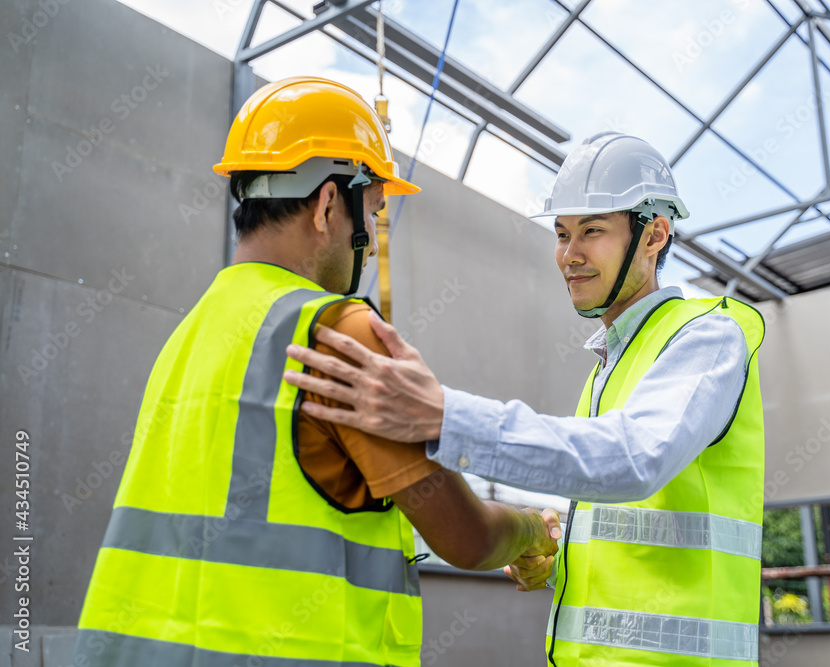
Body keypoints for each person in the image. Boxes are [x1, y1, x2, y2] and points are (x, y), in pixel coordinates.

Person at [73, 77, 559, 667]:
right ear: (330, 204)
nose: (374, 246)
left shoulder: (189, 335)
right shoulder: (337, 333)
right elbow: (468, 537)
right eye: (374, 215)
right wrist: (534, 531)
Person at [283, 131, 767, 665]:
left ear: (655, 235)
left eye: (593, 231)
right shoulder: (611, 366)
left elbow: (633, 460)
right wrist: (557, 554)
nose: (569, 255)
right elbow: (634, 527)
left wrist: (443, 416)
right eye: (561, 233)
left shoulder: (708, 335)